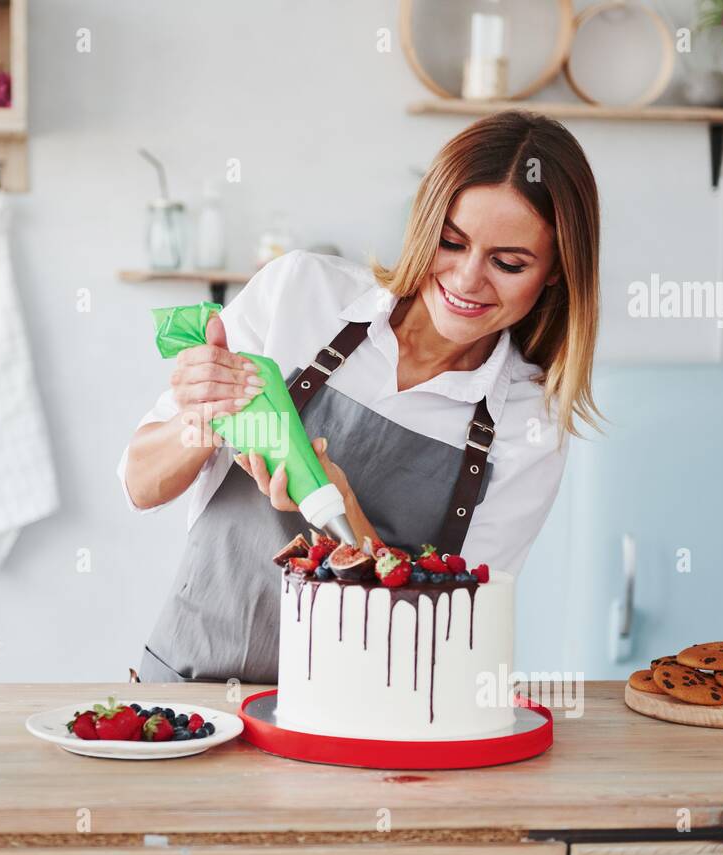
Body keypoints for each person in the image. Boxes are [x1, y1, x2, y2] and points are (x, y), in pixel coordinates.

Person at [119, 110, 601, 683]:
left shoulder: (531, 422)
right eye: (452, 242)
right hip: (187, 700)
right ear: (425, 225)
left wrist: (342, 510)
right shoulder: (300, 292)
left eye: (508, 262)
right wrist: (202, 418)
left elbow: (457, 633)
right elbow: (140, 485)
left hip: (363, 726)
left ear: (554, 272)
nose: (468, 279)